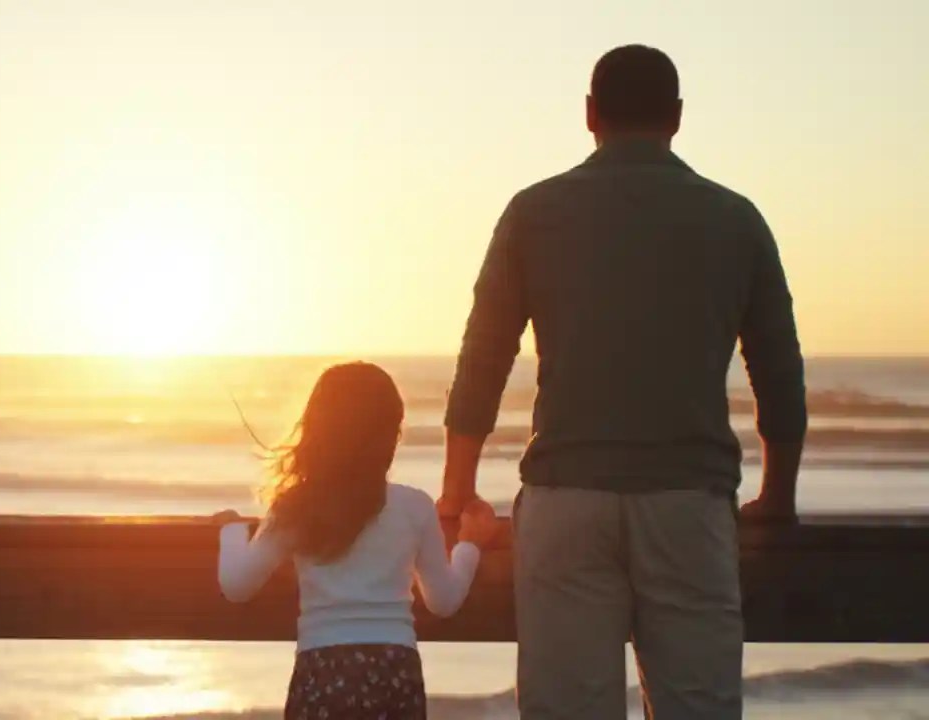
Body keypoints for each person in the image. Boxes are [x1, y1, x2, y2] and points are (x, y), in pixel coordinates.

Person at [439, 45, 807, 719]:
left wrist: (456, 490)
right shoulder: (736, 219)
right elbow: (779, 374)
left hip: (565, 501)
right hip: (688, 505)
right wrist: (777, 496)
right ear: (676, 118)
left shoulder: (534, 212)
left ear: (589, 116)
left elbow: (484, 357)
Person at [217, 362, 498, 720]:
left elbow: (237, 585)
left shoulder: (298, 507)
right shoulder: (414, 506)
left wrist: (230, 529)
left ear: (316, 430)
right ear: (391, 436)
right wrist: (469, 545)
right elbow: (443, 600)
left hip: (323, 667)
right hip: (394, 669)